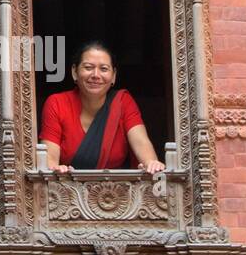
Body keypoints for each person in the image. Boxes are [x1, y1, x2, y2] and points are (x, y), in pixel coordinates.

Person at [39, 41, 165, 174]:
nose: (96, 75)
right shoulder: (57, 103)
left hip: (115, 190)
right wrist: (55, 169)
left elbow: (141, 142)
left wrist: (151, 163)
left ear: (113, 76)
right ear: (74, 72)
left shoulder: (122, 102)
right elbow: (49, 159)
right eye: (88, 67)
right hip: (67, 189)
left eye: (104, 69)